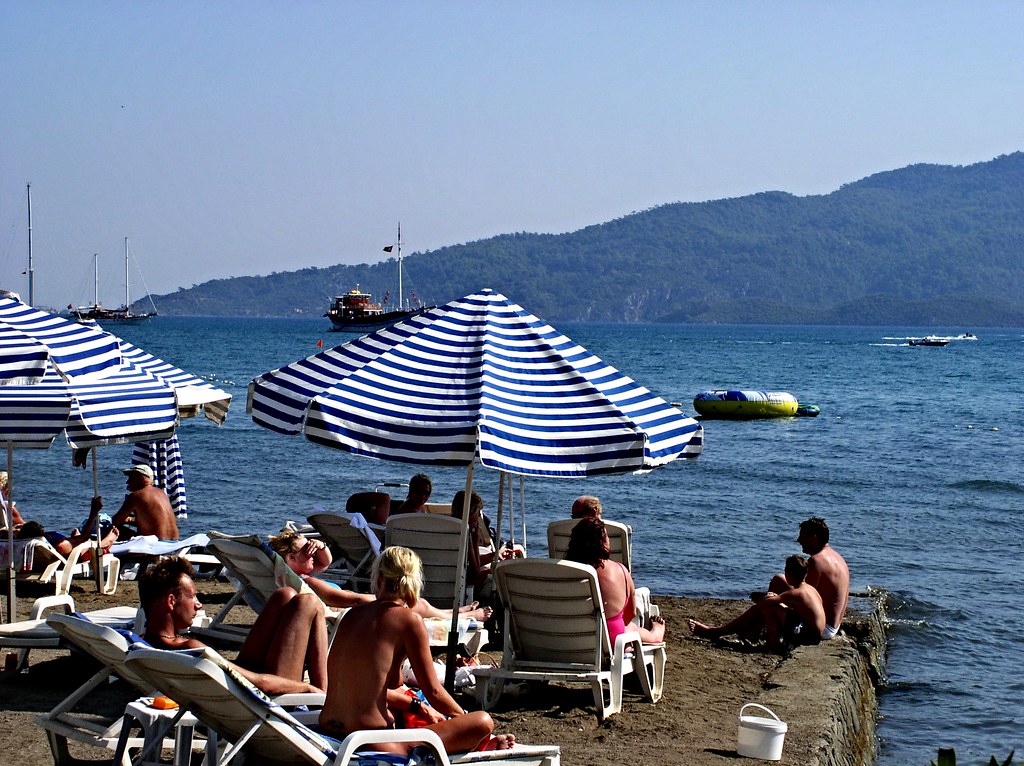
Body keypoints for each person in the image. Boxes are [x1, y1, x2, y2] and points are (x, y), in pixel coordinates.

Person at [319, 546, 515, 756]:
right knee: (482, 721)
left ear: (379, 578)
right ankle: (482, 742)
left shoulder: (351, 616)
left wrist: (414, 701)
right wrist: (462, 718)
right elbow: (434, 692)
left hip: (329, 726)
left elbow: (372, 685)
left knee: (413, 707)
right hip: (372, 739)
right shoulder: (409, 621)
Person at [139, 556, 326, 695]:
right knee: (308, 602)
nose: (198, 604)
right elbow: (262, 684)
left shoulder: (142, 644)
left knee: (284, 595)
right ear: (171, 601)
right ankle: (322, 693)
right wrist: (308, 688)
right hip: (267, 702)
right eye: (192, 596)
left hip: (234, 690)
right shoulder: (190, 649)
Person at [268, 529, 491, 622]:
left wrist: (320, 545)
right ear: (290, 560)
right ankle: (463, 617)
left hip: (355, 609)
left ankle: (453, 612)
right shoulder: (309, 583)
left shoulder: (299, 576)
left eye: (310, 546)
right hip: (352, 615)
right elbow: (349, 600)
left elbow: (325, 562)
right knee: (418, 604)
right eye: (305, 550)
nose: (312, 552)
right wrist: (383, 600)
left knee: (420, 603)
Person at [689, 555, 825, 654]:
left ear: (788, 573)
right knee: (772, 603)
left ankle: (771, 646)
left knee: (767, 608)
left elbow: (763, 604)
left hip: (807, 636)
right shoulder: (810, 589)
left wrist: (766, 598)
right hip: (812, 632)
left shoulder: (796, 593)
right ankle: (749, 633)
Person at [564, 517, 665, 645]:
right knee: (632, 629)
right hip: (608, 643)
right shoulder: (620, 571)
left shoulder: (562, 572)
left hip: (566, 640)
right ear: (603, 541)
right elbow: (629, 615)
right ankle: (655, 634)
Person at [760, 517, 850, 639]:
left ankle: (766, 635)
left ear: (814, 537)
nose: (799, 540)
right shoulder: (838, 557)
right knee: (778, 580)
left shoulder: (816, 561)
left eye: (802, 536)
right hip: (834, 625)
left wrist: (778, 601)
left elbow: (805, 598)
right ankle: (756, 630)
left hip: (822, 627)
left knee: (769, 602)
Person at [104, 464, 179, 541]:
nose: (128, 482)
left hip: (156, 544)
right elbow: (154, 521)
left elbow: (115, 521)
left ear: (142, 478)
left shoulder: (136, 496)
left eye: (131, 478)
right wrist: (130, 520)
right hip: (174, 542)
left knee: (111, 530)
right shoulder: (162, 493)